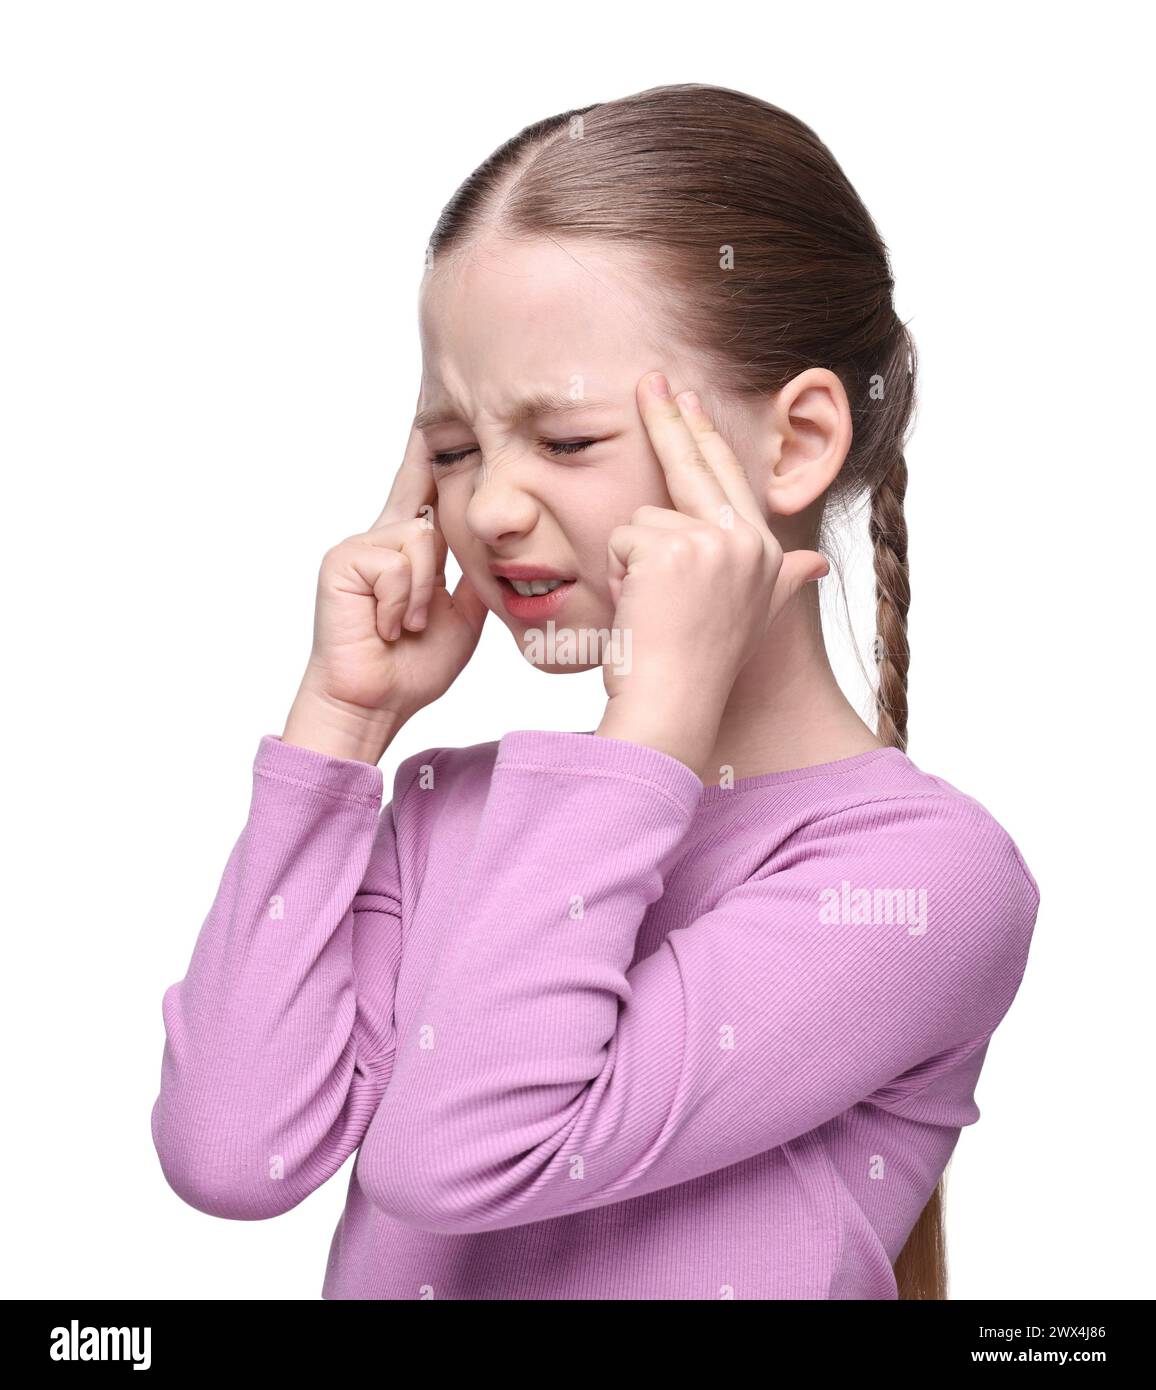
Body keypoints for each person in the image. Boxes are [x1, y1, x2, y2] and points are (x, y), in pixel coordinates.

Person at [150, 83, 1040, 1300]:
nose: (493, 505)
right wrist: (341, 730)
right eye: (456, 449)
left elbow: (459, 1152)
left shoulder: (919, 877)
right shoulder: (449, 819)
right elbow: (229, 1153)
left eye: (565, 442)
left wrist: (653, 717)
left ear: (789, 448)